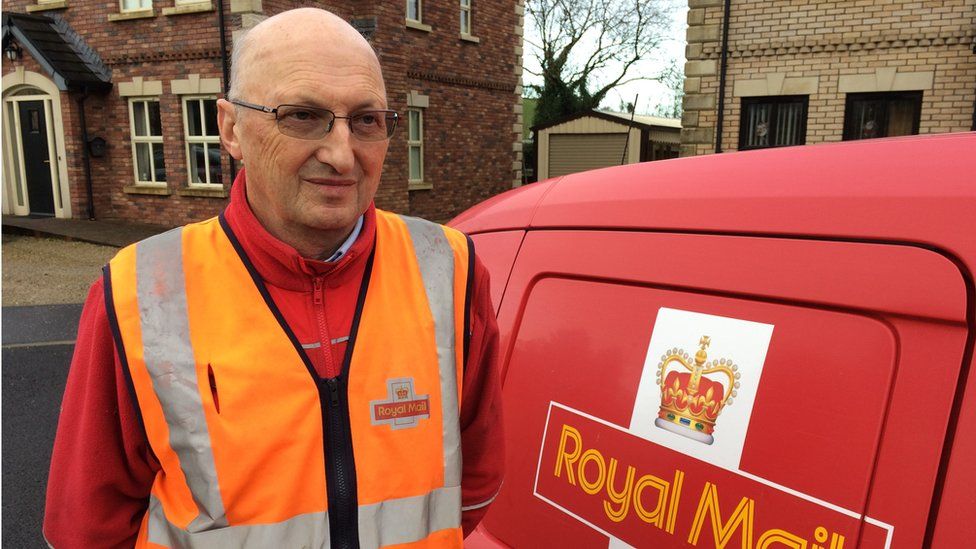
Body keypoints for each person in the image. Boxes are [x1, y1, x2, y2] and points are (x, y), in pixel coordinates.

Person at [43, 8, 504, 548]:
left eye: (367, 120)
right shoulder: (137, 293)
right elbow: (85, 527)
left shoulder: (451, 268)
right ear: (232, 130)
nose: (341, 154)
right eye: (302, 116)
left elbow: (477, 478)